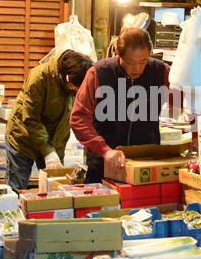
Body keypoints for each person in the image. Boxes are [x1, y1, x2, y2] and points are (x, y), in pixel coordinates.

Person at [69, 27, 171, 184]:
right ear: (118, 54)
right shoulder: (99, 72)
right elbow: (79, 118)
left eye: (143, 61)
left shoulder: (161, 71)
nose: (137, 69)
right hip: (104, 166)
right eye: (130, 62)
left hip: (145, 165)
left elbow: (188, 103)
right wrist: (104, 150)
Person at [4, 50, 94, 192]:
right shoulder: (39, 77)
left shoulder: (75, 84)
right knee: (16, 189)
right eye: (77, 88)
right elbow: (31, 118)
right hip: (23, 138)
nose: (79, 91)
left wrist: (55, 152)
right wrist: (48, 152)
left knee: (55, 189)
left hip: (53, 141)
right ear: (68, 78)